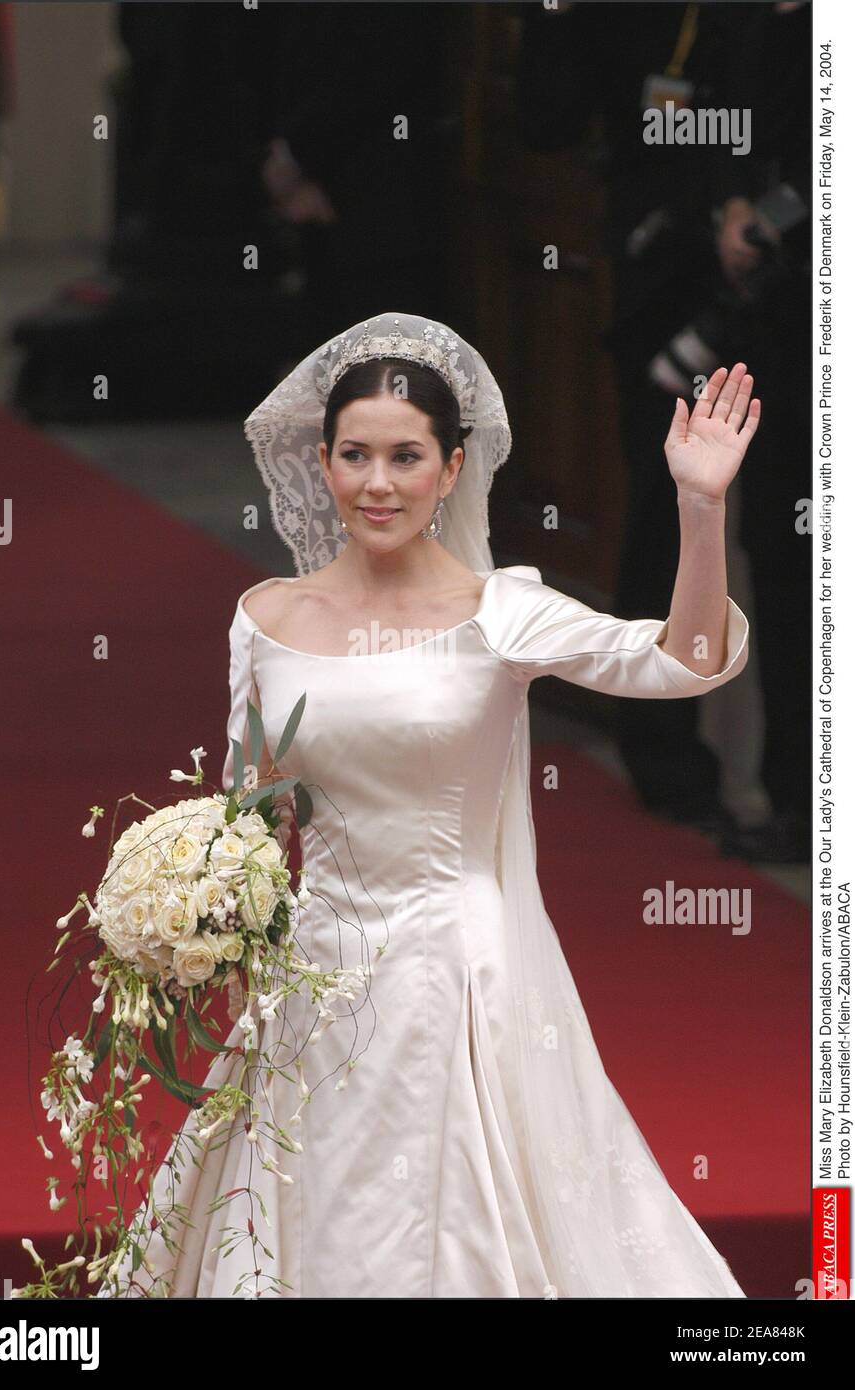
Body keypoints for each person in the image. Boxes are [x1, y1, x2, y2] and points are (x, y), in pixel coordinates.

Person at [100, 312, 755, 1298]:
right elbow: (246, 815)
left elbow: (683, 660)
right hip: (305, 984)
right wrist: (200, 913)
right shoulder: (266, 618)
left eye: (405, 457)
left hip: (454, 972)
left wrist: (698, 509)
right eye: (355, 455)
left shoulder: (504, 611)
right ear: (321, 462)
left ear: (451, 470)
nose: (377, 483)